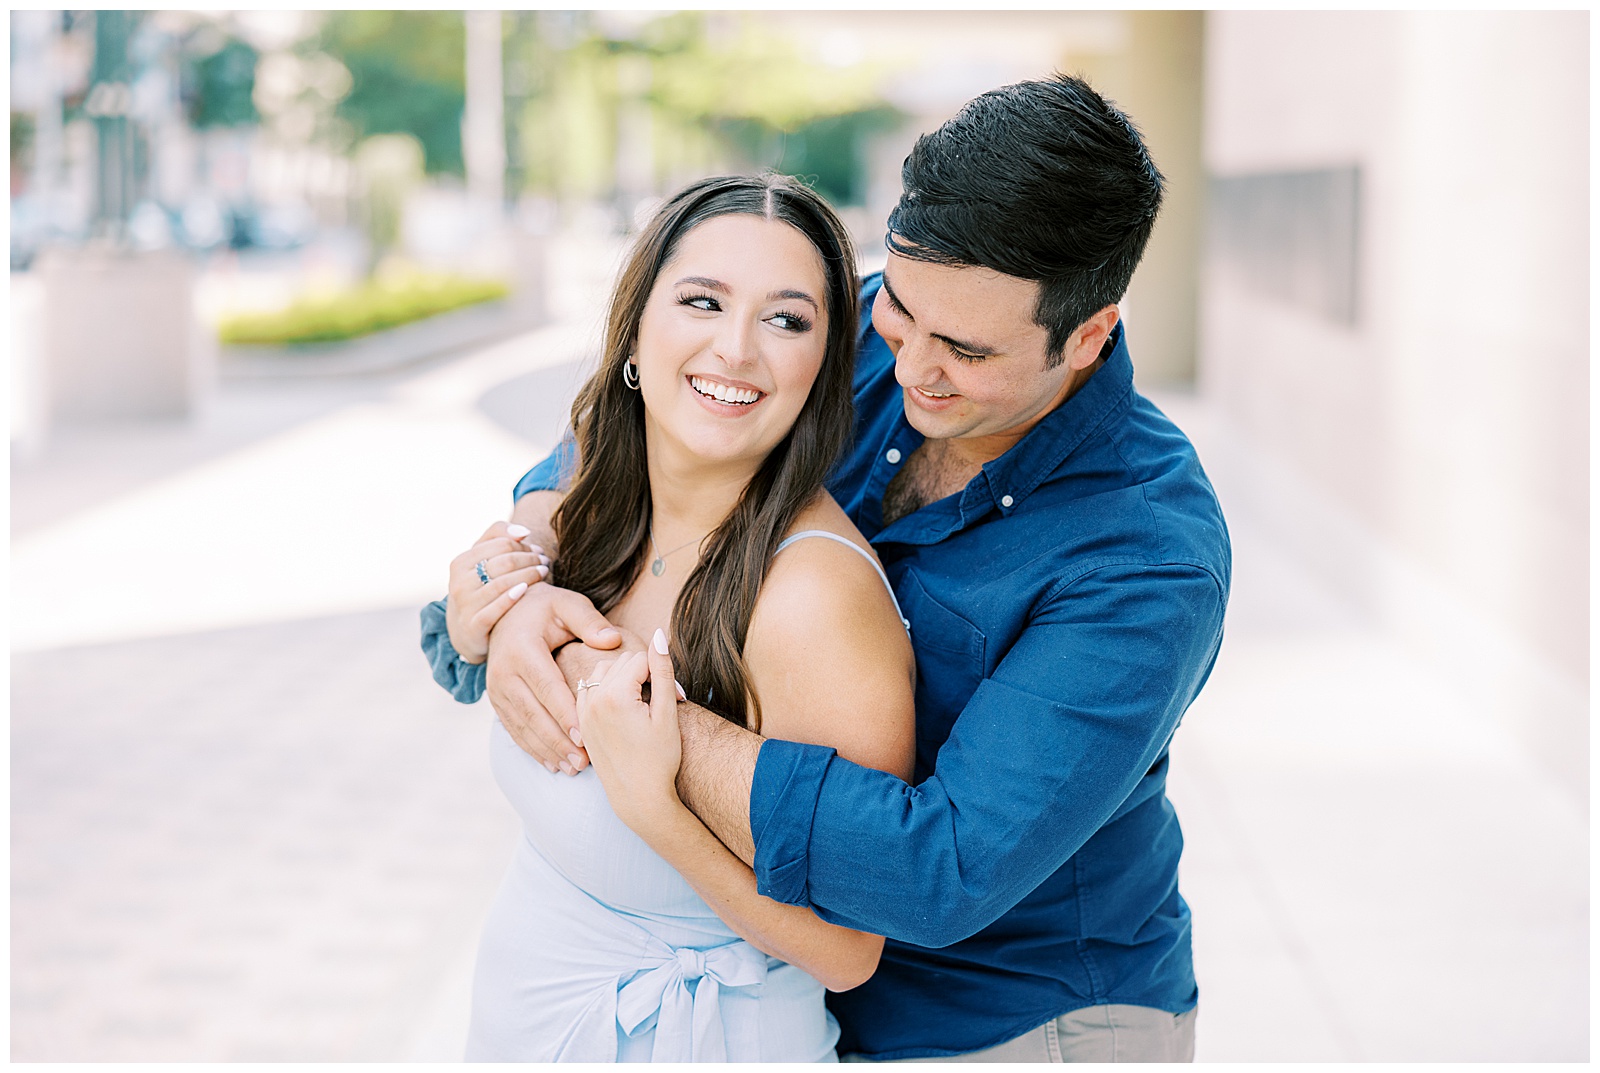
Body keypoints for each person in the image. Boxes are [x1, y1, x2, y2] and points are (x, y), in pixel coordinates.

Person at [461, 73, 1231, 1062]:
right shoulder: (863, 331)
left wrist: (624, 702)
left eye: (965, 350)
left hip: (1019, 1021)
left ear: (1088, 336)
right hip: (791, 995)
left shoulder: (1145, 554)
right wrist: (522, 566)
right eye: (902, 310)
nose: (909, 367)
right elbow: (642, 441)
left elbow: (937, 869)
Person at [420, 174, 917, 1061]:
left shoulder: (812, 599)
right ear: (636, 333)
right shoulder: (587, 516)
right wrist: (484, 614)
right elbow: (460, 639)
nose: (736, 349)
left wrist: (658, 807)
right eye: (702, 300)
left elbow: (849, 951)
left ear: (822, 365)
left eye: (787, 319)